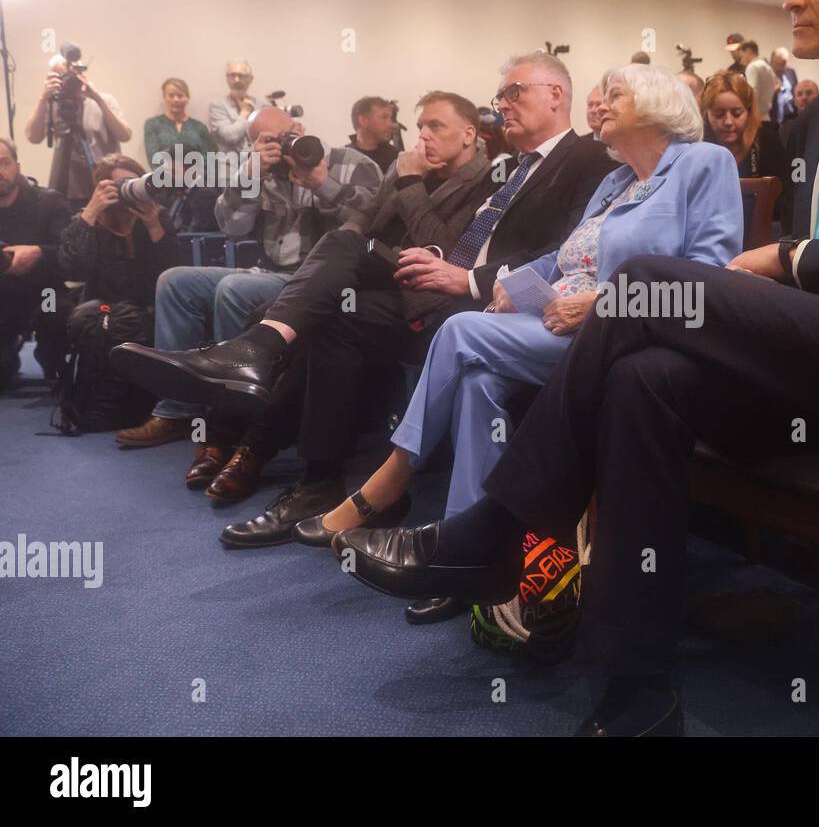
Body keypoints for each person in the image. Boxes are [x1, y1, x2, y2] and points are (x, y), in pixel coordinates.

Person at [335, 0, 819, 736]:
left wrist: (785, 260)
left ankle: (495, 531)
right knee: (644, 377)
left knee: (650, 282)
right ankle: (637, 694)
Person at [114, 54, 618, 545]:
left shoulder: (586, 159)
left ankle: (251, 411)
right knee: (338, 277)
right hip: (435, 282)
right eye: (500, 94)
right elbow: (381, 223)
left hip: (485, 302)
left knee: (326, 284)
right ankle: (313, 468)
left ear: (555, 95)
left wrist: (464, 276)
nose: (502, 104)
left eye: (514, 91)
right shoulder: (516, 168)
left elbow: (566, 248)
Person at [296, 65, 742, 579]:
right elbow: (562, 257)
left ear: (658, 105)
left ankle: (391, 479)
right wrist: (513, 283)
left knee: (461, 331)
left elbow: (709, 276)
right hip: (556, 322)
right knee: (478, 378)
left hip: (623, 332)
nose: (600, 104)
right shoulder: (615, 181)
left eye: (616, 94)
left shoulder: (704, 163)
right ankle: (468, 551)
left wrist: (600, 303)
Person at [110, 106, 381, 495]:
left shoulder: (351, 163)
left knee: (234, 289)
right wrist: (249, 175)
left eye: (284, 136)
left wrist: (321, 181)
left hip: (318, 282)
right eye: (264, 140)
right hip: (268, 272)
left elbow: (372, 221)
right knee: (175, 281)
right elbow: (231, 227)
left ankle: (230, 427)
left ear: (300, 129)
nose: (278, 147)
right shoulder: (255, 169)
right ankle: (176, 411)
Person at [58, 154, 183, 320]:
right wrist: (91, 212)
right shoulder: (88, 222)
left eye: (134, 182)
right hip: (101, 313)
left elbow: (173, 273)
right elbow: (73, 269)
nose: (130, 188)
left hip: (149, 307)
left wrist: (154, 227)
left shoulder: (156, 217)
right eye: (123, 183)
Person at [0, 137, 71, 387]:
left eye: (4, 163)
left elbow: (70, 254)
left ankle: (50, 357)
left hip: (45, 290)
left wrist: (39, 252)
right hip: (3, 295)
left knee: (54, 310)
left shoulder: (49, 201)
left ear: (17, 166)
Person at [23, 54, 132, 204]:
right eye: (62, 76)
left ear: (82, 74)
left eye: (72, 75)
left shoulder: (105, 100)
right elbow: (33, 137)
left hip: (106, 183)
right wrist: (43, 98)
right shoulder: (53, 104)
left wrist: (97, 98)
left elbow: (125, 135)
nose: (68, 81)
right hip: (70, 188)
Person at [701, 72, 789, 227]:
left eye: (736, 114)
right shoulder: (696, 148)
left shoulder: (768, 141)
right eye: (719, 114)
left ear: (749, 112)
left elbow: (783, 201)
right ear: (705, 115)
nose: (728, 122)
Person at [143, 78, 220, 232]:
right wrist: (171, 177)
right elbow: (154, 157)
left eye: (180, 95)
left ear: (187, 98)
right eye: (171, 95)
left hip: (198, 185)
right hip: (166, 185)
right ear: (164, 97)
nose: (176, 100)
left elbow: (211, 156)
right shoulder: (153, 124)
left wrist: (193, 176)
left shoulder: (198, 127)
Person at [208, 60, 266, 186]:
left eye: (242, 76)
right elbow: (230, 137)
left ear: (251, 79)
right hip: (230, 171)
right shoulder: (217, 105)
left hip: (259, 170)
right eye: (232, 75)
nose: (237, 79)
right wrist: (245, 113)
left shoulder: (263, 105)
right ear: (227, 79)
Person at [348, 96, 399, 173]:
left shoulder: (397, 159)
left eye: (390, 118)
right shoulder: (342, 158)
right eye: (384, 118)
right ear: (363, 121)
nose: (390, 124)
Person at [735, 41, 779, 124]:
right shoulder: (767, 67)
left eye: (741, 57)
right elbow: (777, 85)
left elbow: (753, 92)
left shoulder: (752, 66)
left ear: (748, 51)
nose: (740, 61)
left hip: (756, 118)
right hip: (767, 116)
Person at [770, 46, 799, 124]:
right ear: (772, 61)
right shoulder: (766, 75)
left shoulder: (791, 72)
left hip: (791, 118)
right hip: (774, 120)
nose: (782, 68)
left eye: (784, 64)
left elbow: (795, 92)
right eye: (779, 64)